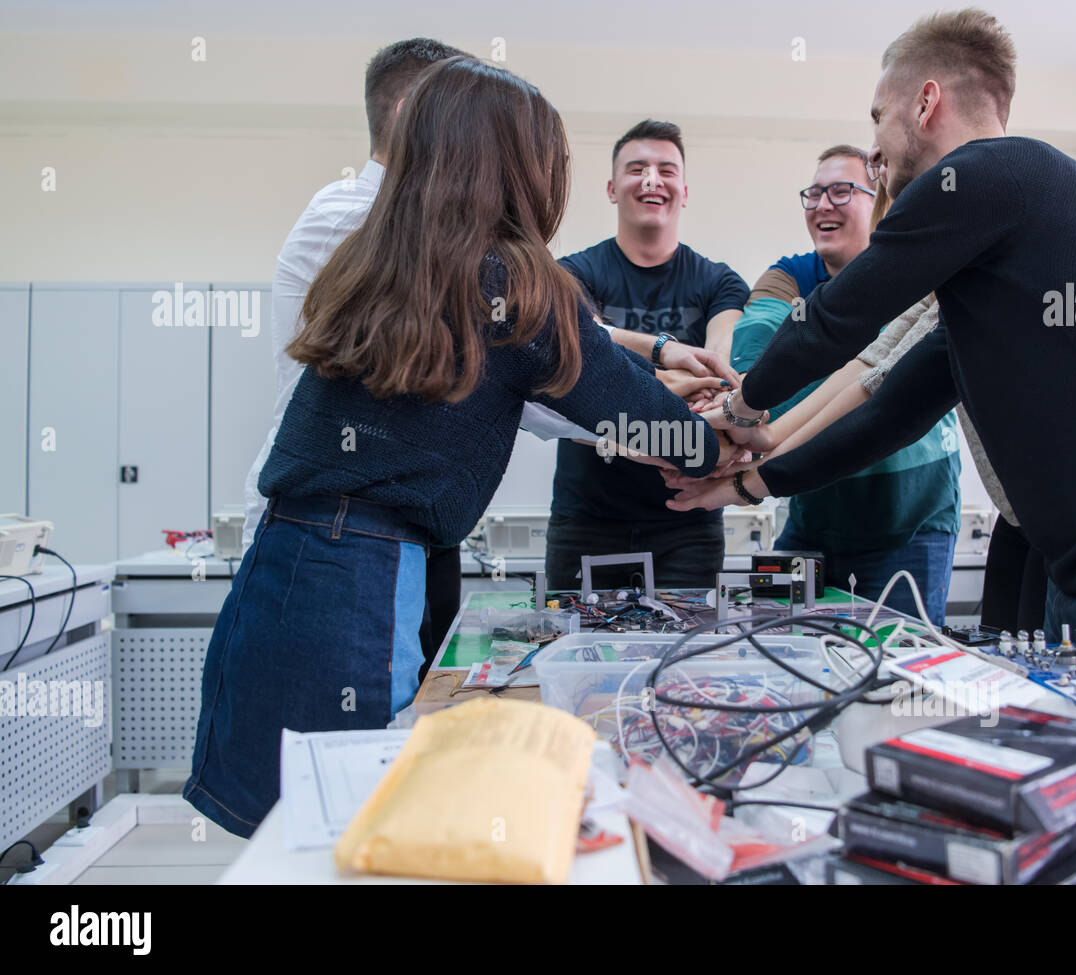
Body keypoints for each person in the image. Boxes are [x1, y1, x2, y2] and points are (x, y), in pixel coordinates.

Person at [668, 8, 1076, 798]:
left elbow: (838, 317)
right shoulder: (998, 256)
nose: (878, 148)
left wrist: (744, 409)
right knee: (1075, 828)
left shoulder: (991, 175)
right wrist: (749, 482)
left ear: (926, 102)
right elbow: (895, 409)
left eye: (878, 117)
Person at [185, 58, 719, 837]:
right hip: (358, 582)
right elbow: (640, 418)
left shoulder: (382, 258)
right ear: (520, 168)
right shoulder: (514, 279)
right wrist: (720, 441)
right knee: (355, 829)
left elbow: (550, 394)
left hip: (286, 561)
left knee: (295, 832)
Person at [241, 40, 726, 680]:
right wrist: (718, 447)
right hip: (354, 559)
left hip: (318, 546)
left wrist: (656, 398)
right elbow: (593, 383)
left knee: (284, 768)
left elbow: (541, 386)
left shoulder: (401, 249)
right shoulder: (494, 275)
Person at [722, 145, 961, 622]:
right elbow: (751, 360)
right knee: (775, 653)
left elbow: (886, 394)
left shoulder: (917, 271)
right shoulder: (788, 276)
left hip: (910, 523)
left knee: (895, 672)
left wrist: (763, 416)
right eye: (813, 194)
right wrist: (742, 415)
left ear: (877, 202)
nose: (822, 204)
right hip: (813, 517)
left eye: (841, 191)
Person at [545, 120, 750, 591]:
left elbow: (722, 370)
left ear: (684, 190)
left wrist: (711, 399)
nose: (652, 179)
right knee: (575, 657)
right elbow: (578, 379)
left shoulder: (720, 282)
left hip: (689, 518)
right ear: (613, 188)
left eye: (666, 169)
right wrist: (678, 424)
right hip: (586, 521)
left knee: (685, 660)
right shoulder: (570, 275)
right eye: (637, 169)